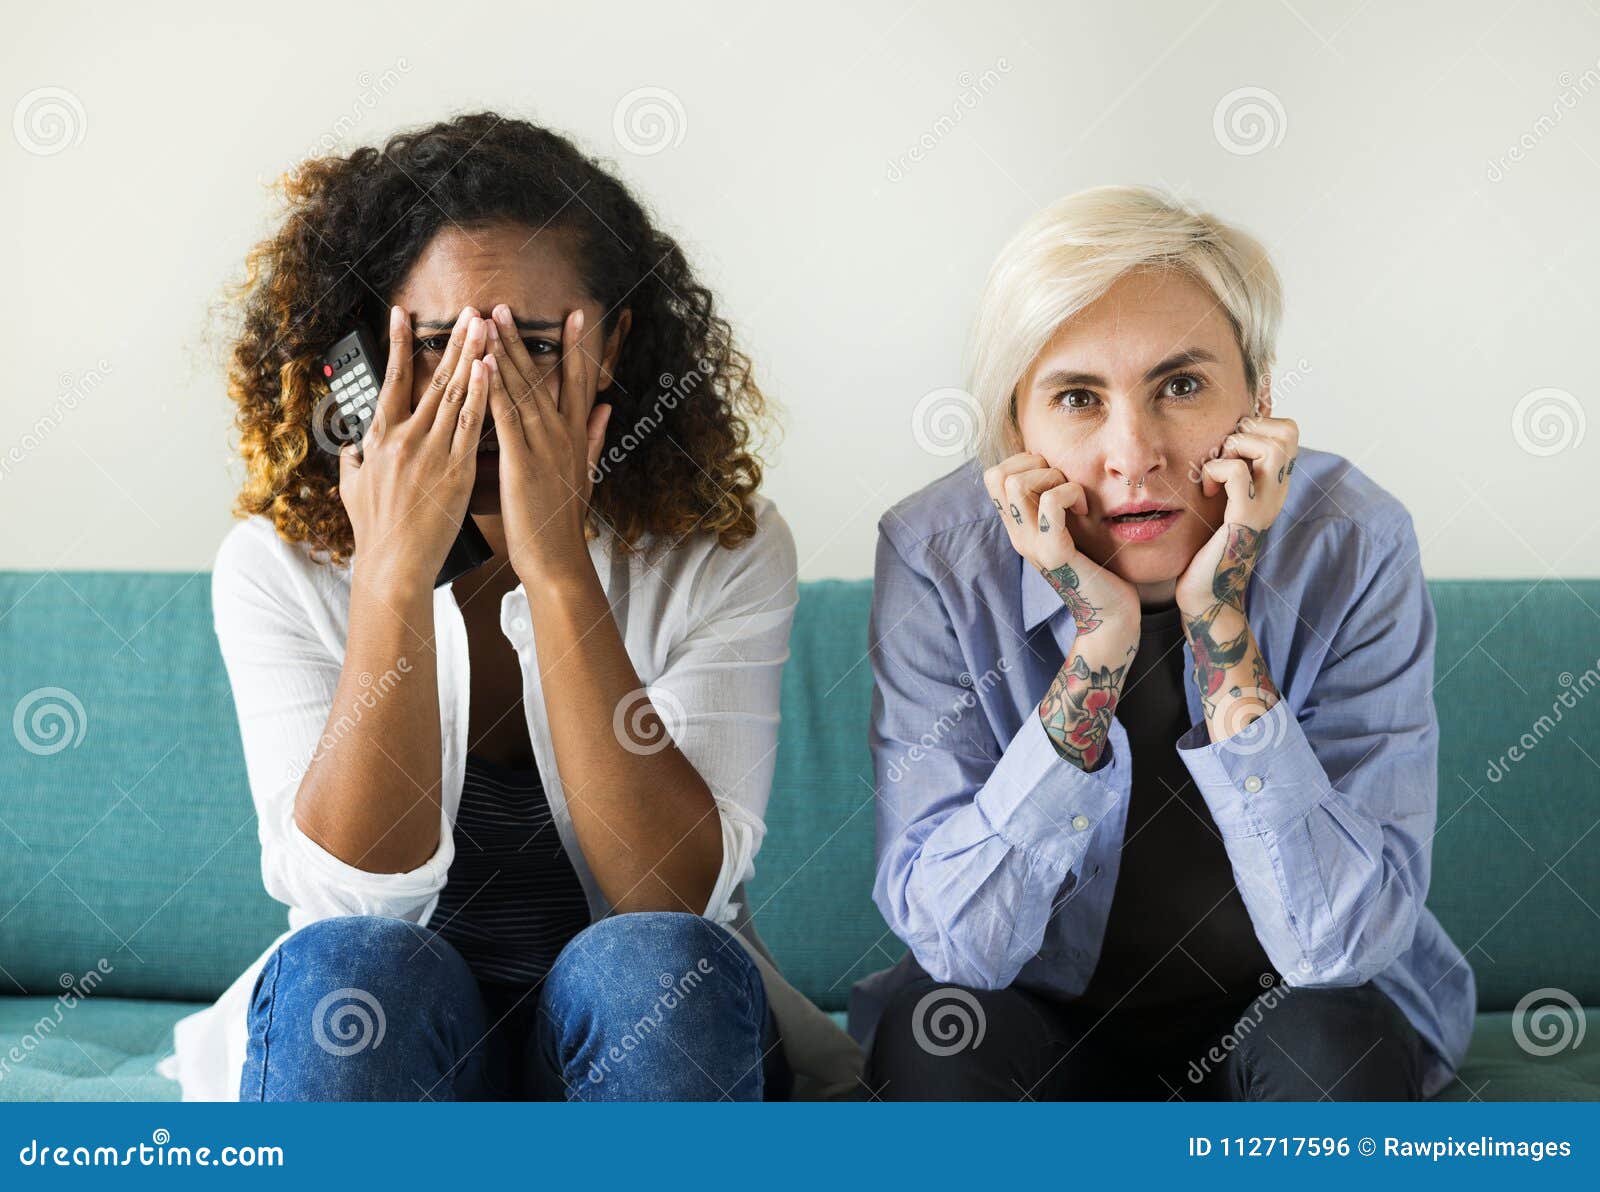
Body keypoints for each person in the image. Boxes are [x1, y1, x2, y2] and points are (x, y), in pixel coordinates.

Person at [162, 111, 859, 1101]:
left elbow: (670, 895)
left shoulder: (723, 550)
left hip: (629, 1032)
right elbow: (351, 899)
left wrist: (558, 568)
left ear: (610, 347)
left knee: (654, 958)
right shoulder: (274, 567)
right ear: (363, 363)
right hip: (395, 1033)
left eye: (532, 343)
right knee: (352, 965)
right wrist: (392, 580)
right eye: (440, 342)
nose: (483, 391)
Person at [851, 184, 1475, 1101]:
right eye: (1076, 397)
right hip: (1031, 1011)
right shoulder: (938, 558)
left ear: (1258, 398)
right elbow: (959, 946)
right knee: (942, 1040)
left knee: (1335, 1053)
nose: (1131, 452)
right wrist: (1098, 647)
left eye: (1180, 386)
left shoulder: (1356, 543)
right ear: (1012, 429)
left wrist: (1221, 622)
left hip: (1293, 1002)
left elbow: (1337, 943)